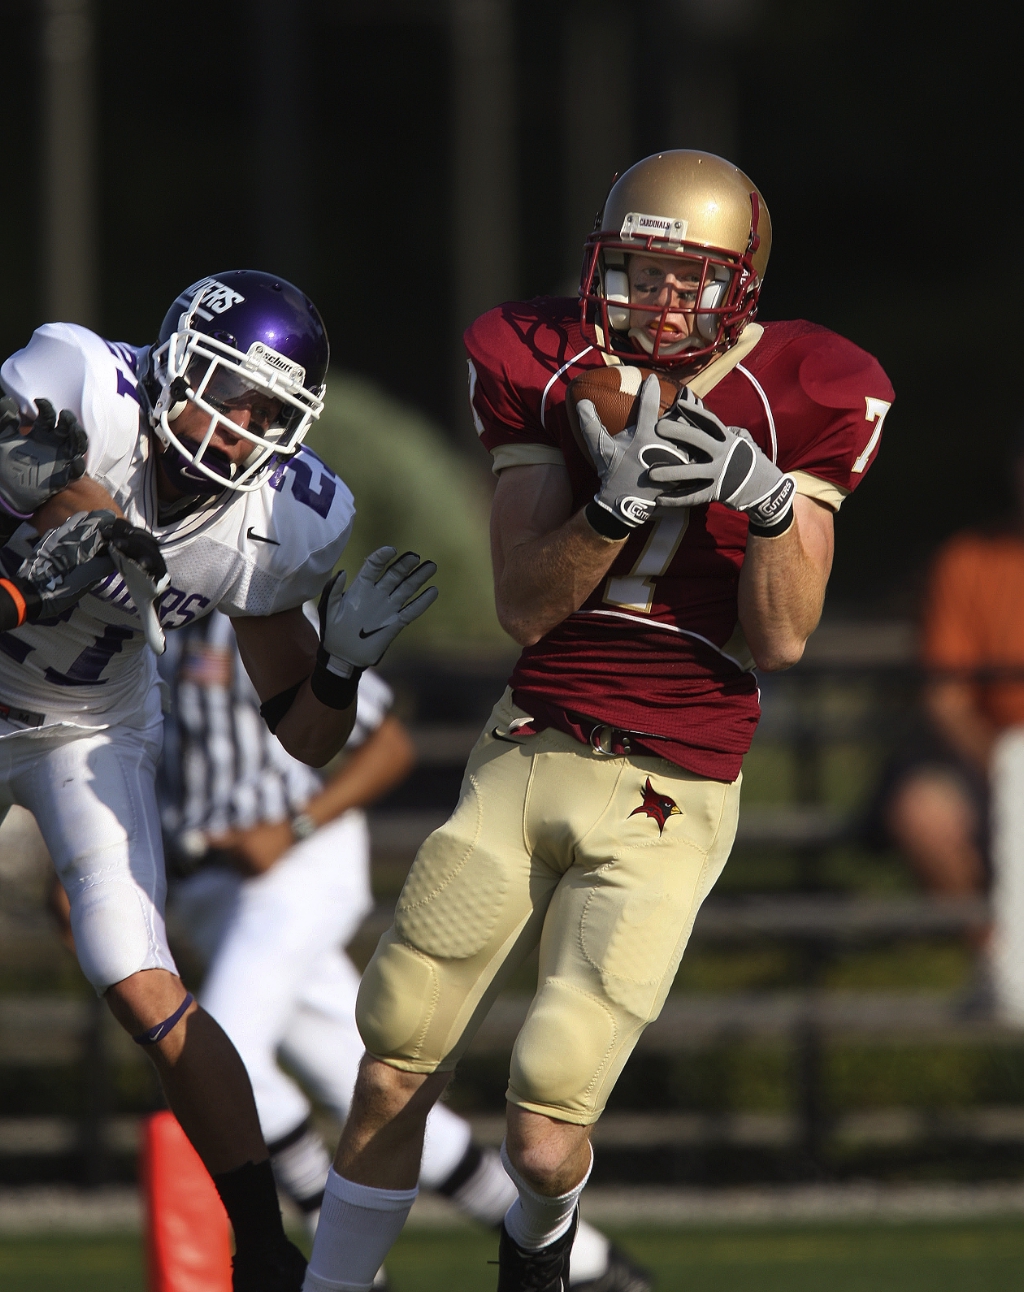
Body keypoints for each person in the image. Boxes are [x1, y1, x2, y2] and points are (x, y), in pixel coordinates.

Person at [299, 150, 895, 1292]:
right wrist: (611, 505)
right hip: (534, 740)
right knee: (393, 1044)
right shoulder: (537, 356)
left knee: (544, 1112)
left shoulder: (813, 385)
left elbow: (779, 639)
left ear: (741, 283)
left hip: (674, 779)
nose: (655, 300)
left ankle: (537, 1244)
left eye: (686, 278)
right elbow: (524, 603)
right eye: (634, 268)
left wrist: (768, 501)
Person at [0, 271, 436, 1291]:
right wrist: (70, 541)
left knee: (137, 969)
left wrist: (339, 666)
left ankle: (263, 1244)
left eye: (268, 414)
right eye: (227, 394)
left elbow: (307, 737)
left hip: (86, 724)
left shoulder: (277, 521)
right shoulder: (80, 383)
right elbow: (37, 473)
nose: (239, 429)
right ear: (176, 359)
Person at [161, 609, 652, 1292]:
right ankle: (600, 1268)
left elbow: (388, 745)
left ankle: (333, 1267)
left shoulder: (257, 599)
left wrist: (293, 825)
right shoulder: (150, 613)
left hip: (288, 871)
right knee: (376, 1089)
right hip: (208, 894)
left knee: (221, 1055)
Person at [878, 434, 1024, 1016]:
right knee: (924, 812)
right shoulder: (969, 560)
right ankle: (1003, 967)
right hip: (989, 755)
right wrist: (1003, 767)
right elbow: (947, 699)